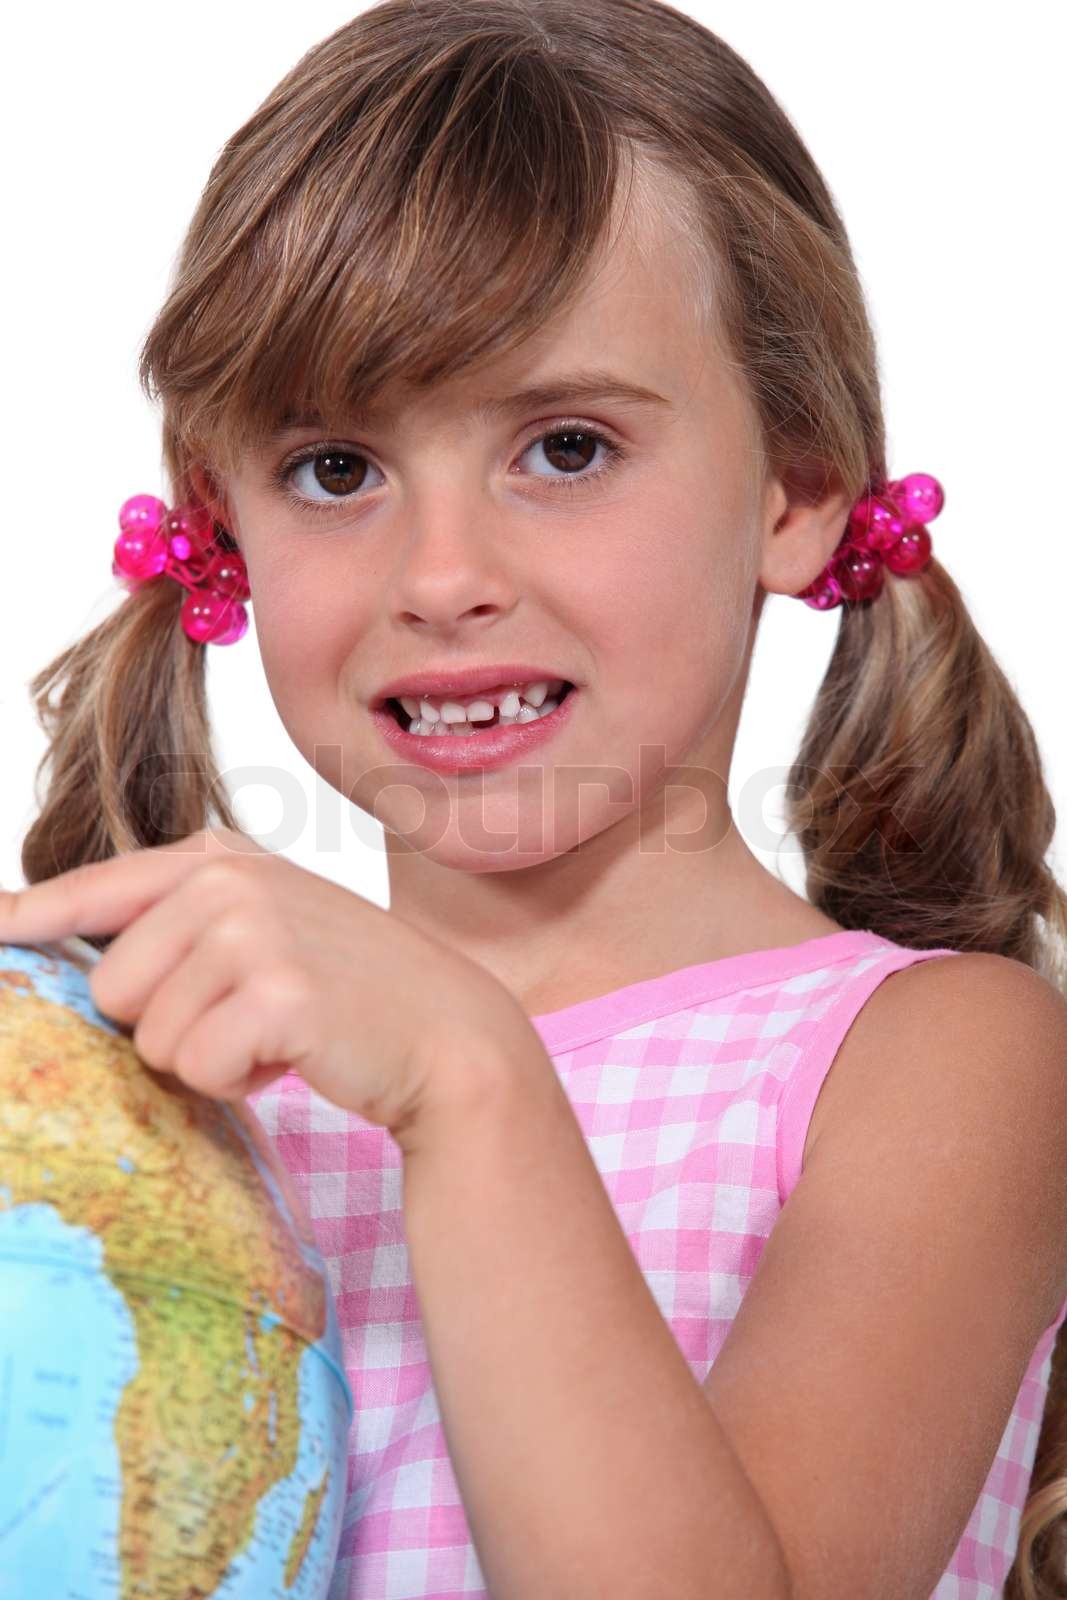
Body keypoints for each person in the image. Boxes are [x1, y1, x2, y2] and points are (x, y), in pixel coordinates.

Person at [3, 1, 1066, 1595]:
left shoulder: (940, 1065)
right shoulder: (165, 1093)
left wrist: (468, 1076)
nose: (443, 579)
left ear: (796, 486)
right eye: (337, 470)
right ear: (223, 526)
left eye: (565, 447)